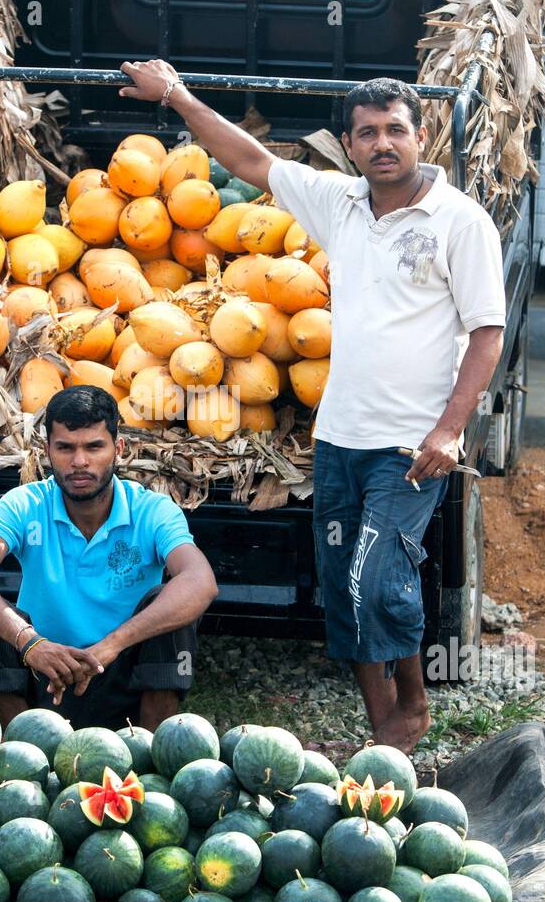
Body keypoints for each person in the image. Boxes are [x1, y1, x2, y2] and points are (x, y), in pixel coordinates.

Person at [118, 60, 506, 753]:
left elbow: (486, 332)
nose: (383, 143)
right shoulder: (340, 203)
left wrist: (451, 429)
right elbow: (247, 156)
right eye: (367, 134)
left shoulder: (459, 222)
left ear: (421, 138)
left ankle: (410, 706)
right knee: (341, 580)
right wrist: (176, 96)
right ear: (350, 145)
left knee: (379, 574)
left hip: (412, 441)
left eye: (396, 130)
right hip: (340, 438)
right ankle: (381, 717)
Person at [0, 385, 218, 732]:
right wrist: (32, 645)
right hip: (43, 679)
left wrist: (111, 645)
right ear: (47, 451)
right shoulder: (25, 504)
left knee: (173, 604)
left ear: (118, 449)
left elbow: (200, 582)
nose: (79, 462)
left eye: (93, 447)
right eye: (65, 448)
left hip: (123, 679)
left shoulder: (152, 510)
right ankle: (20, 751)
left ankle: (152, 753)